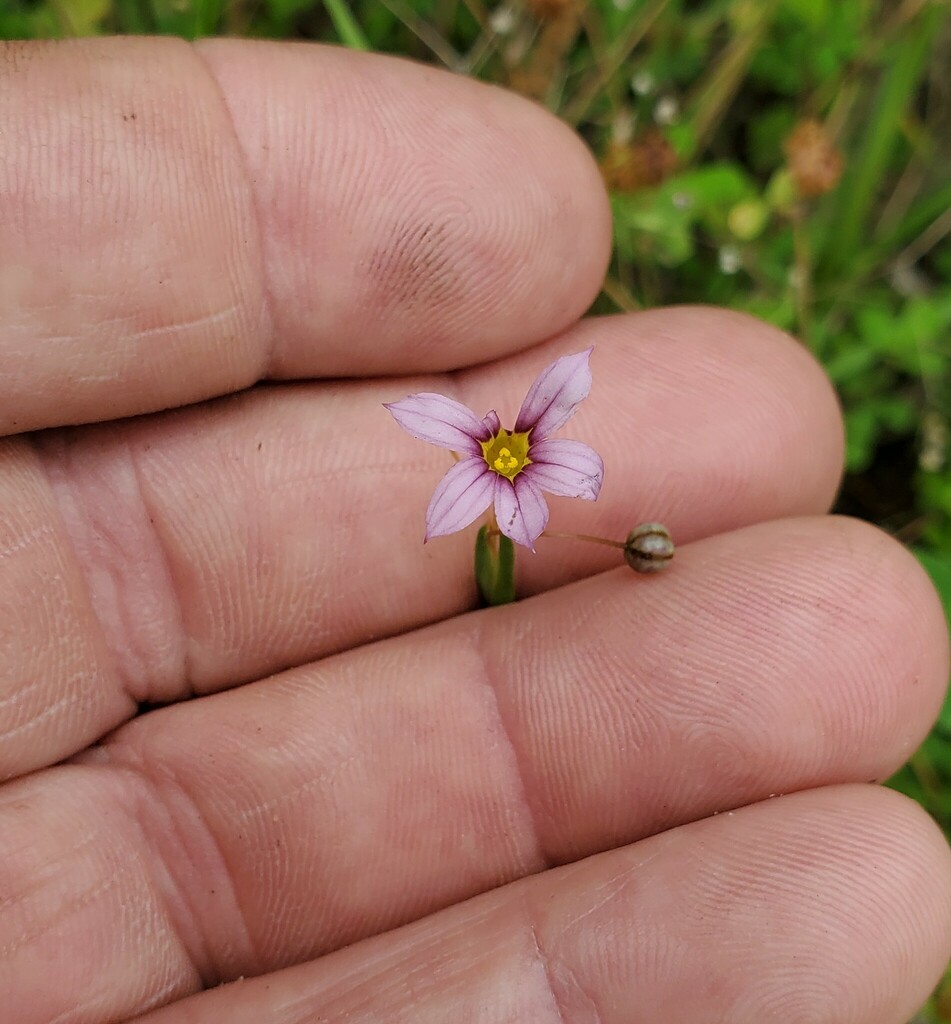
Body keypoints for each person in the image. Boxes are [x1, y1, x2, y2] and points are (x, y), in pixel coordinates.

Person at [1, 36, 949, 1024]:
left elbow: (546, 471)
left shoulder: (534, 467)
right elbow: (501, 465)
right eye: (496, 448)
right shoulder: (486, 464)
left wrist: (521, 478)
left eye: (508, 449)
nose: (503, 452)